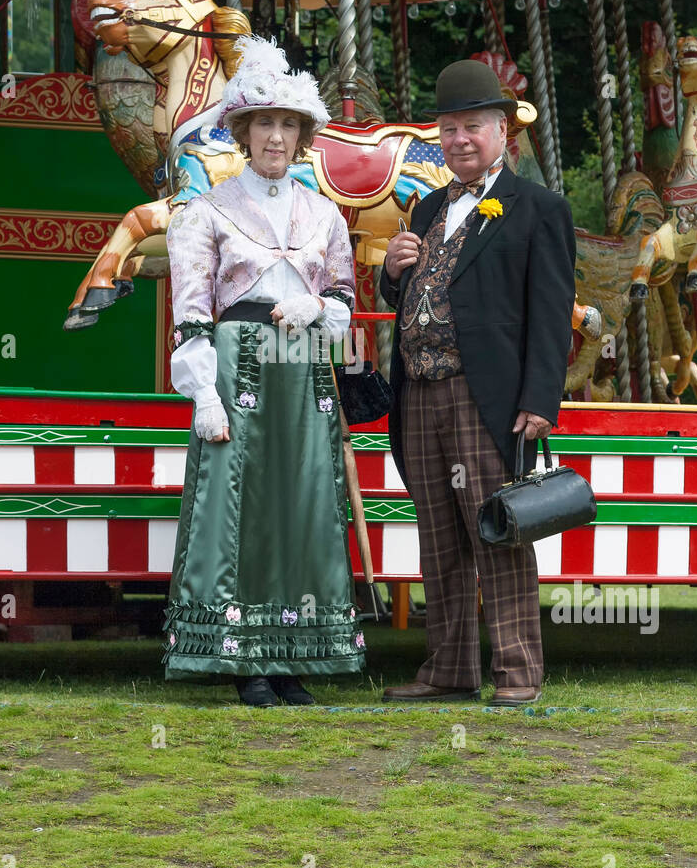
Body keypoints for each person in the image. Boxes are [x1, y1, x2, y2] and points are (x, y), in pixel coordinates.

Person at [163, 36, 365, 706]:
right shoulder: (205, 212)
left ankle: (293, 658)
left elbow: (343, 303)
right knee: (241, 513)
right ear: (243, 132)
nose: (276, 136)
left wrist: (318, 305)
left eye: (288, 124)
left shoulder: (326, 215)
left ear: (302, 134)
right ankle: (246, 661)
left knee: (303, 507)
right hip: (235, 370)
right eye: (264, 123)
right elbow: (192, 312)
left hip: (302, 372)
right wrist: (203, 397)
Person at [379, 59, 576, 706]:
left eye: (472, 127)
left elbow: (552, 312)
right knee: (438, 537)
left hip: (481, 395)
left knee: (498, 530)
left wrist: (539, 400)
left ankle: (518, 674)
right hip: (419, 394)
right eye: (449, 128)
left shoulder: (538, 208)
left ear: (502, 134)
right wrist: (392, 269)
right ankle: (449, 670)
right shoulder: (428, 204)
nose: (459, 139)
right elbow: (418, 291)